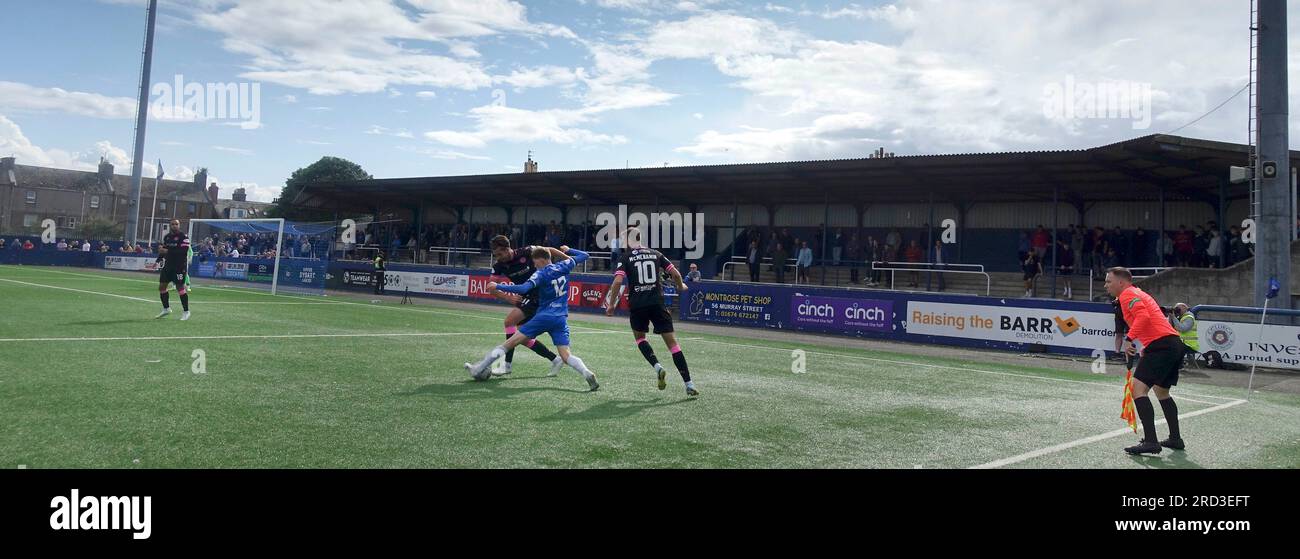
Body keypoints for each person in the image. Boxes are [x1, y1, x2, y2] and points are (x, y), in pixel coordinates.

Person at [467, 246, 600, 391]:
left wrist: (497, 286)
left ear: (542, 260)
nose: (535, 266)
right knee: (566, 355)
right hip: (561, 318)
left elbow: (524, 289)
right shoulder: (565, 265)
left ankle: (478, 368)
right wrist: (568, 250)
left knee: (509, 343)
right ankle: (586, 372)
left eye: (536, 263)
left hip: (544, 317)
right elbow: (585, 255)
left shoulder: (541, 274)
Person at [605, 229, 698, 396]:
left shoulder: (625, 258)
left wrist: (611, 304)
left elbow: (617, 281)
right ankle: (689, 384)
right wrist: (680, 286)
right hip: (657, 303)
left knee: (640, 338)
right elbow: (675, 273)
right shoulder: (656, 254)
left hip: (638, 304)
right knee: (673, 345)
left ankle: (657, 366)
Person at [1105, 267, 1185, 455]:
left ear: (1121, 282)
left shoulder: (1127, 295)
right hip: (1172, 344)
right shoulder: (1138, 293)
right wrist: (1146, 346)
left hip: (1163, 346)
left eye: (1109, 281)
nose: (1105, 285)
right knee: (1161, 391)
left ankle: (1151, 442)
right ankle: (1175, 438)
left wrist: (1129, 339)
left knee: (1138, 389)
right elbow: (1154, 320)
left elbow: (1143, 317)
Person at [486, 235, 564, 377]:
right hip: (527, 297)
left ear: (508, 249)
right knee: (523, 337)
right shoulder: (498, 266)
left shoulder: (527, 251)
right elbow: (490, 287)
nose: (498, 257)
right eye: (495, 255)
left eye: (500, 254)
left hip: (541, 294)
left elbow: (549, 250)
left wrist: (567, 258)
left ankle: (507, 365)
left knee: (509, 322)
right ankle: (555, 359)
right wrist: (508, 298)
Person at [154, 219, 192, 321]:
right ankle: (166, 309)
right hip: (168, 266)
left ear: (179, 225)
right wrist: (158, 260)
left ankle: (186, 311)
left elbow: (183, 251)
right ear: (170, 225)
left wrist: (167, 250)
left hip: (179, 266)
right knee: (162, 287)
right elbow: (163, 250)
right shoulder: (167, 237)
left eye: (176, 224)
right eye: (172, 224)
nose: (174, 225)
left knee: (180, 287)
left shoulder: (183, 237)